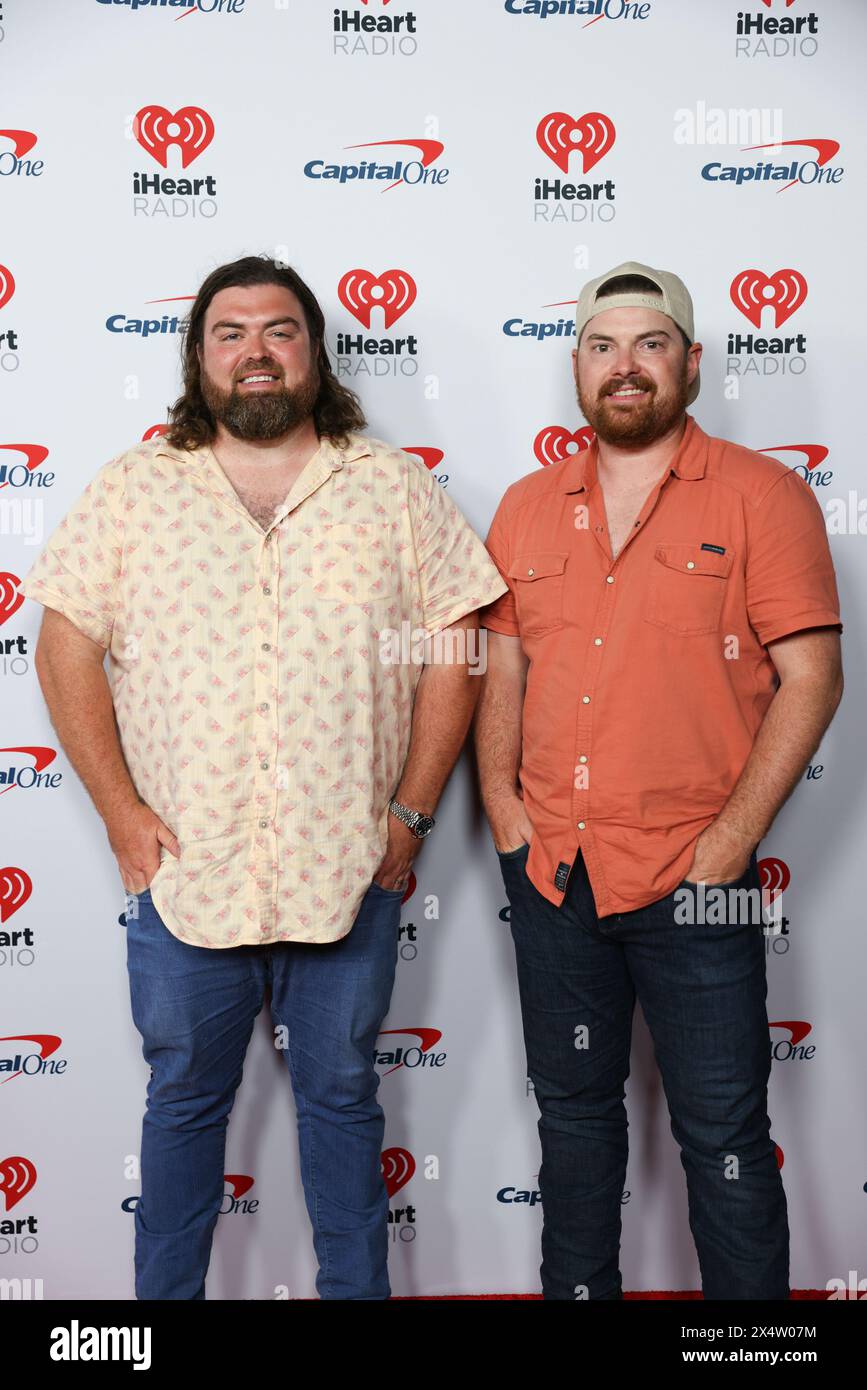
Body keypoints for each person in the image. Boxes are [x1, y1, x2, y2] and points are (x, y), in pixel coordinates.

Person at [20, 253, 507, 1301]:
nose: (255, 351)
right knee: (185, 1101)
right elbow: (63, 646)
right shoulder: (136, 488)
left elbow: (457, 641)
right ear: (199, 357)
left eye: (278, 329)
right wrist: (121, 816)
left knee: (342, 1100)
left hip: (348, 867)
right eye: (229, 332)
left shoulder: (390, 487)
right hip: (189, 870)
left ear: (313, 351)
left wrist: (413, 813)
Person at [474, 260, 843, 1301]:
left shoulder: (763, 494)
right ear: (577, 368)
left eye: (649, 345)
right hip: (554, 872)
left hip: (703, 874)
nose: (624, 367)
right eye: (602, 347)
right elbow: (502, 664)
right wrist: (504, 810)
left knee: (725, 1132)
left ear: (690, 361)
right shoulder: (527, 505)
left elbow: (813, 677)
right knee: (576, 1122)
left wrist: (727, 844)